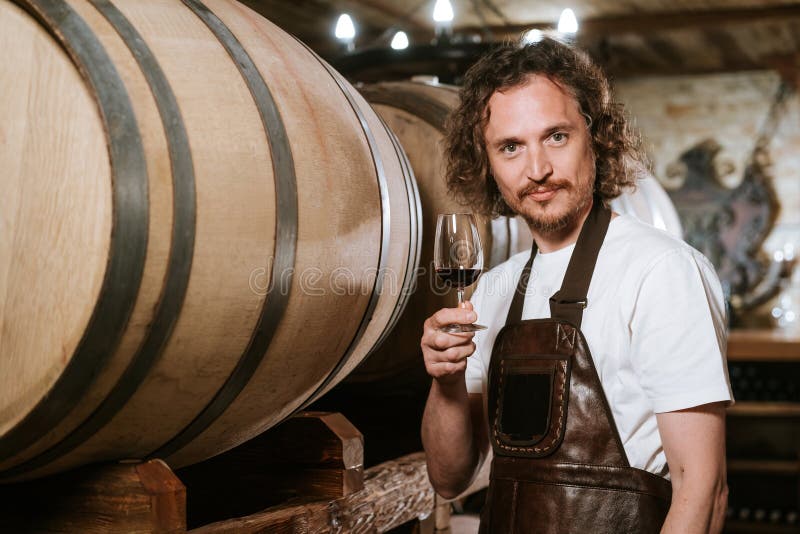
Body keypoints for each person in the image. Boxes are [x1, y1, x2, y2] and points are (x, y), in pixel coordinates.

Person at [420, 37, 733, 534]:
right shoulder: (491, 291)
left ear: (595, 137)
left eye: (557, 137)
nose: (537, 169)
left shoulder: (662, 270)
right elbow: (448, 478)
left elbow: (704, 493)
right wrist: (446, 382)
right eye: (510, 147)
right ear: (488, 164)